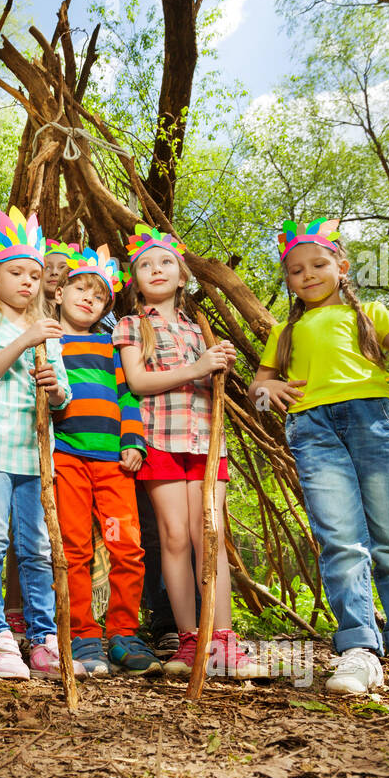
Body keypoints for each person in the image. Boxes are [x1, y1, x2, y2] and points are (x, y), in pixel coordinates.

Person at [249, 218, 389, 693]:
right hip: (312, 428)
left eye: (318, 264)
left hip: (373, 419)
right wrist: (270, 389)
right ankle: (358, 649)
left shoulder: (368, 309)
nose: (307, 275)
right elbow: (258, 388)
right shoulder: (287, 330)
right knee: (340, 538)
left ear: (342, 267)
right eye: (295, 271)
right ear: (287, 279)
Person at [114, 224, 266, 679]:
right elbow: (138, 382)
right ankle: (188, 641)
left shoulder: (199, 329)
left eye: (165, 263)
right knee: (175, 538)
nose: (155, 269)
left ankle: (224, 642)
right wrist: (197, 367)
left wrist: (216, 365)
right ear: (135, 279)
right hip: (161, 438)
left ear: (182, 277)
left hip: (204, 440)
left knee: (210, 536)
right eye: (145, 265)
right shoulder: (131, 324)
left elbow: (208, 381)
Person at [0, 207, 86, 681]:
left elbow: (62, 400)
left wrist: (55, 387)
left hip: (36, 455)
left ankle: (43, 638)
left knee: (35, 546)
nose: (27, 282)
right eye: (16, 273)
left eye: (35, 275)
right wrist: (25, 339)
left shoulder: (49, 332)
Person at [50, 246, 158, 676]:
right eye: (80, 288)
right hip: (67, 459)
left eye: (99, 296)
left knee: (126, 546)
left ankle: (123, 634)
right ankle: (83, 636)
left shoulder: (110, 345)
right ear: (58, 293)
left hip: (114, 463)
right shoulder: (48, 341)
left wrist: (133, 440)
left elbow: (128, 396)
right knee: (74, 548)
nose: (89, 299)